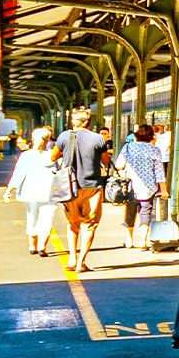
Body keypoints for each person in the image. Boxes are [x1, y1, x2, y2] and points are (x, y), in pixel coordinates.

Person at [54, 108, 111, 273]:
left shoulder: (64, 136)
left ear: (73, 122)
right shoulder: (98, 138)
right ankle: (81, 262)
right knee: (89, 224)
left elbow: (53, 157)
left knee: (73, 224)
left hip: (70, 187)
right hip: (92, 188)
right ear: (89, 123)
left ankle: (72, 258)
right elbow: (106, 161)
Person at [2, 126, 59, 256]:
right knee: (47, 219)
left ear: (33, 139)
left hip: (29, 192)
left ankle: (33, 246)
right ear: (48, 140)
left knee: (32, 217)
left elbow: (18, 175)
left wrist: (9, 190)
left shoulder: (26, 155)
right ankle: (42, 247)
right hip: (49, 192)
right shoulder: (53, 155)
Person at [117, 123, 165, 249]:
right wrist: (164, 190)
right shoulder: (154, 150)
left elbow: (118, 164)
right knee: (145, 212)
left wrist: (124, 172)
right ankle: (143, 240)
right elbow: (159, 172)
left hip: (130, 185)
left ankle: (129, 240)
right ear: (151, 137)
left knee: (130, 211)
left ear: (136, 135)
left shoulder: (128, 147)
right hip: (148, 188)